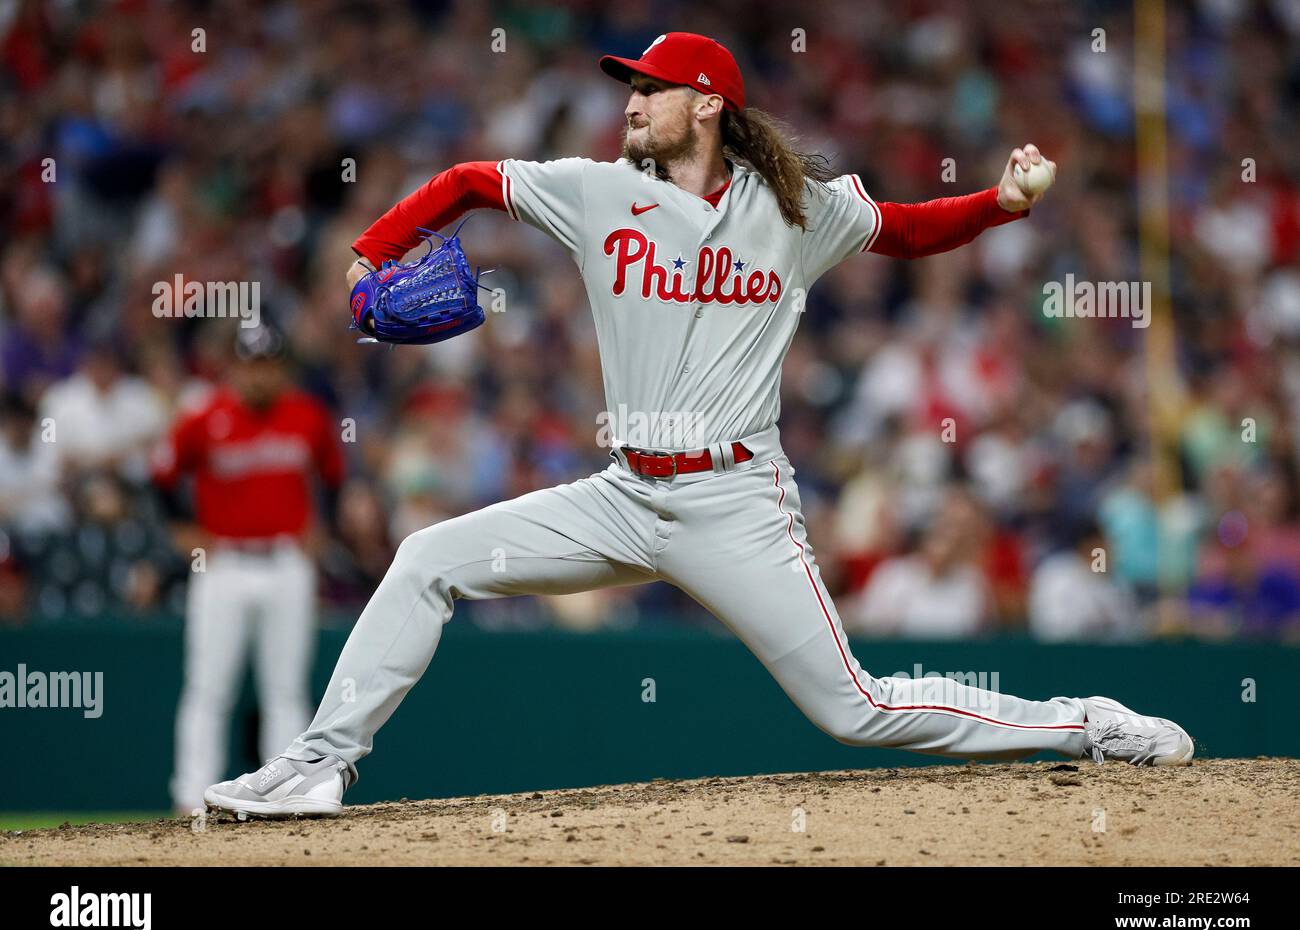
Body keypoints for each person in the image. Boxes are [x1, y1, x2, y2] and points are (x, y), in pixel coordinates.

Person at [205, 32, 1193, 819]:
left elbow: (906, 227)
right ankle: (314, 767)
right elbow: (468, 180)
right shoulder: (598, 191)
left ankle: (1084, 721)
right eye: (629, 87)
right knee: (426, 556)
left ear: (707, 102)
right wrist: (372, 252)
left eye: (651, 87)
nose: (630, 101)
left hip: (736, 501)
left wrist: (1003, 204)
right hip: (625, 492)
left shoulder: (799, 210)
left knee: (855, 708)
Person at [156, 323, 344, 814]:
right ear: (235, 367)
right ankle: (189, 798)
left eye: (269, 365)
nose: (260, 375)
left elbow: (335, 478)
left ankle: (285, 792)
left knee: (285, 690)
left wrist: (322, 528)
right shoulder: (206, 416)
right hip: (224, 564)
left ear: (282, 369)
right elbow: (160, 476)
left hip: (286, 562)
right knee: (208, 687)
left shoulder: (308, 416)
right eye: (251, 364)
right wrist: (181, 531)